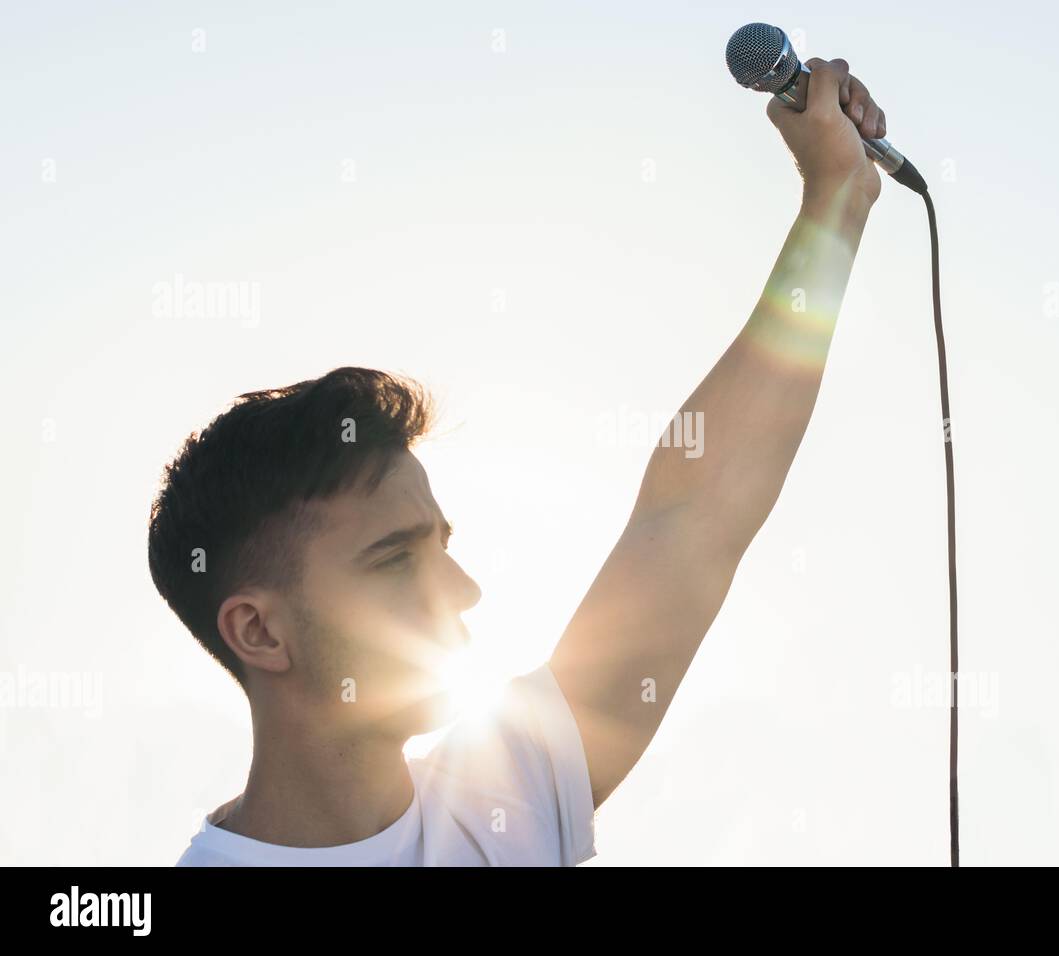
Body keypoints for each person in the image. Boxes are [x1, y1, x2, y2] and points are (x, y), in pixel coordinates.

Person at [158, 58, 884, 866]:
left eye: (441, 543)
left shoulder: (502, 792)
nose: (463, 590)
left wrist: (837, 202)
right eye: (394, 561)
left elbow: (692, 516)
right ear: (258, 630)